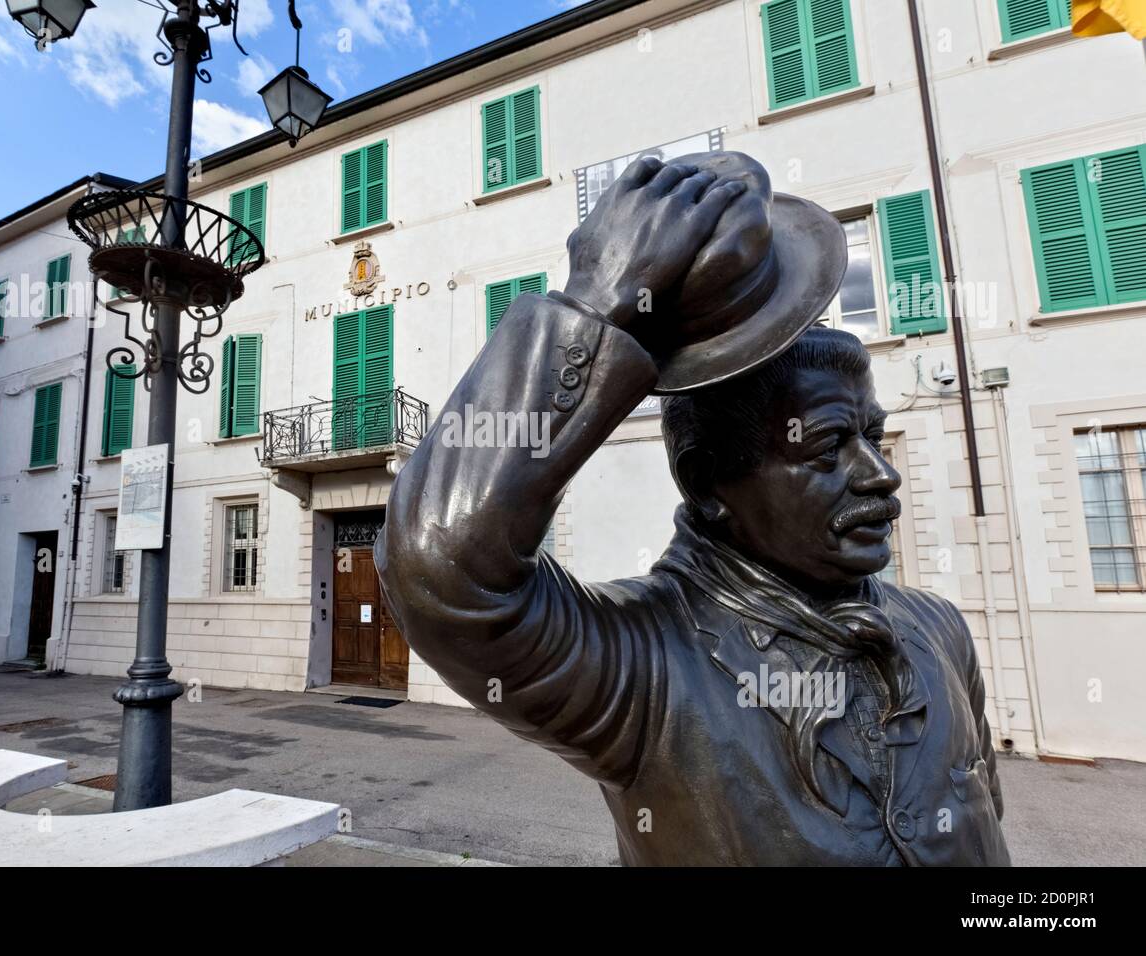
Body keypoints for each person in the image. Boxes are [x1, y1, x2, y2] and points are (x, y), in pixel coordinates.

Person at [374, 153, 1010, 866]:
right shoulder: (641, 664)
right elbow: (440, 565)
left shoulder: (940, 631)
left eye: (874, 436)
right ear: (708, 483)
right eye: (829, 446)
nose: (882, 476)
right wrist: (596, 305)